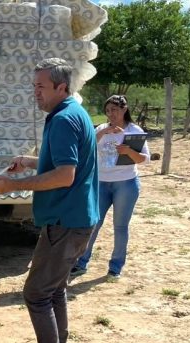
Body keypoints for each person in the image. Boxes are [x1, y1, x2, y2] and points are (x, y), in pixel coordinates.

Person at [0, 58, 98, 343]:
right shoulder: (69, 115)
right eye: (33, 86)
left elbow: (66, 175)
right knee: (54, 291)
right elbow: (63, 162)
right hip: (74, 218)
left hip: (65, 221)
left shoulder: (63, 120)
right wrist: (31, 163)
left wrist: (12, 186)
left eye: (41, 87)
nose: (35, 92)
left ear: (62, 87)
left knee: (36, 293)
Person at [70, 94, 150, 279]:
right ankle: (81, 262)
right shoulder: (101, 129)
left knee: (120, 226)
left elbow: (144, 160)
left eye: (114, 110)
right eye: (107, 110)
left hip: (126, 184)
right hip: (101, 183)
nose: (111, 114)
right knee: (92, 224)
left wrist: (129, 150)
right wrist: (102, 133)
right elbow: (86, 149)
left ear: (124, 109)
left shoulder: (133, 130)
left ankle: (115, 267)